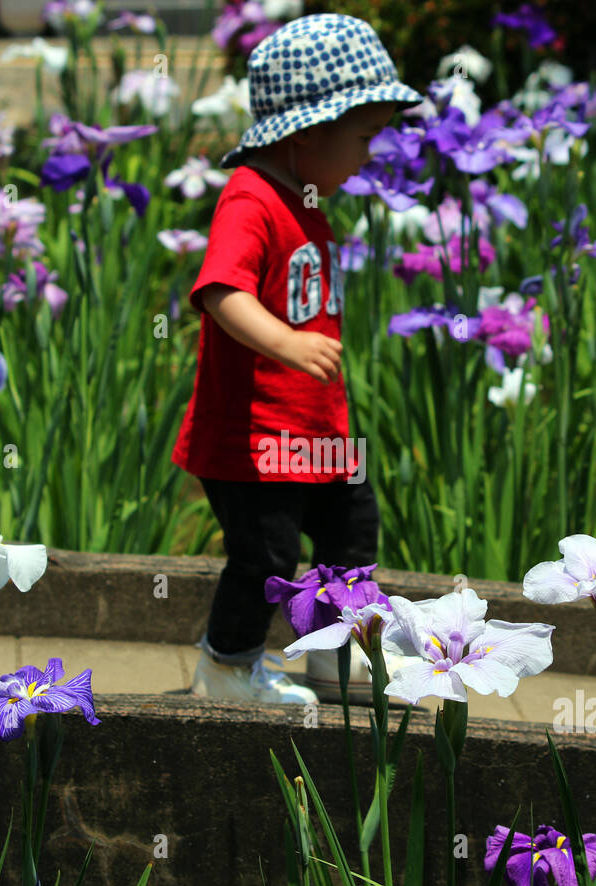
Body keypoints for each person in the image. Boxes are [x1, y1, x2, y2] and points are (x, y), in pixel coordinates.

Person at [173, 14, 422, 703]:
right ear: (310, 130)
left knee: (352, 532)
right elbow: (221, 291)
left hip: (316, 431)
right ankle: (227, 670)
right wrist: (285, 341)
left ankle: (335, 656)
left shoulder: (304, 197)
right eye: (365, 138)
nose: (370, 156)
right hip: (254, 440)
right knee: (267, 558)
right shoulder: (250, 199)